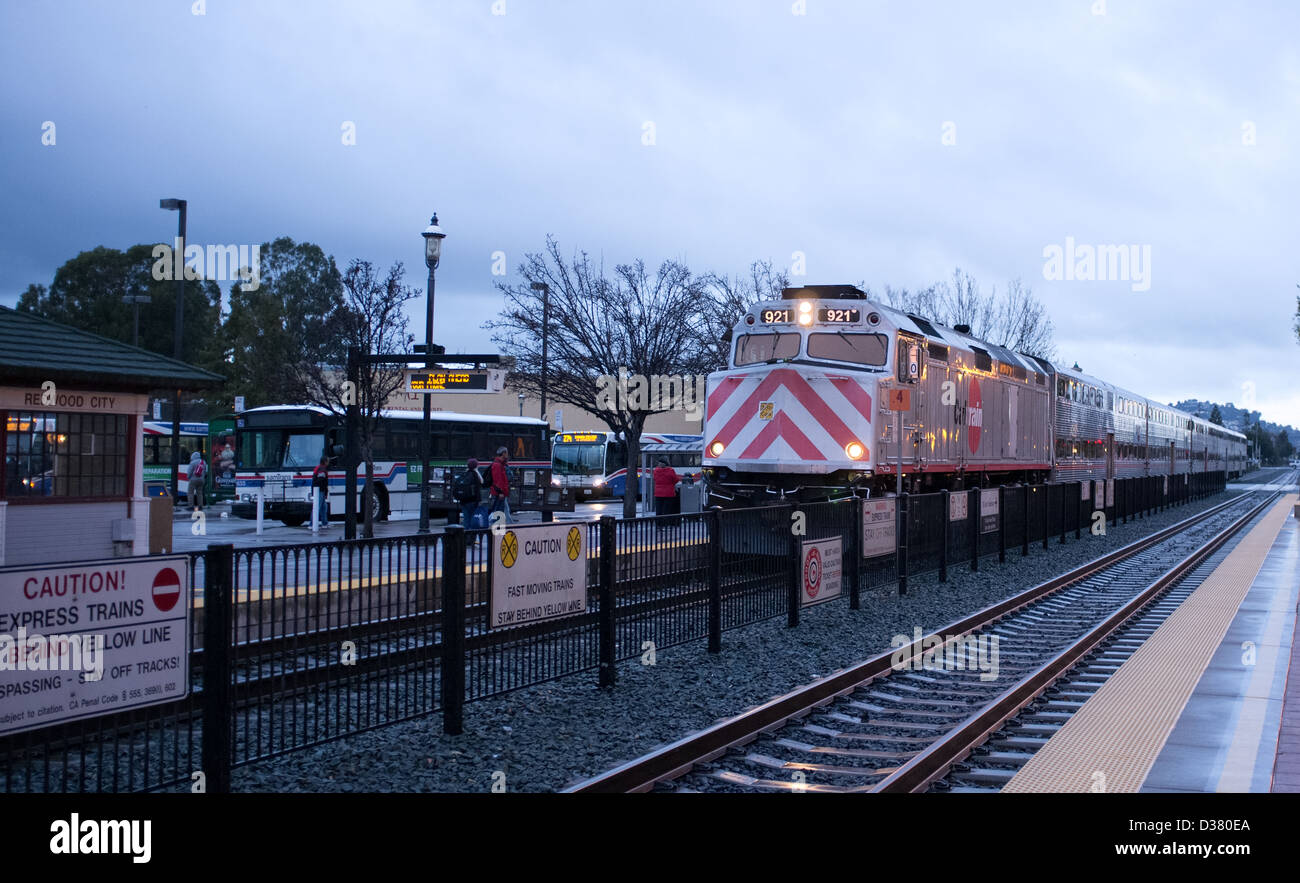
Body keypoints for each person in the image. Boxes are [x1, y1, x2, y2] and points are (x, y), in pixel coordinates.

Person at [487, 446, 511, 524]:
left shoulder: (500, 464)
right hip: (499, 493)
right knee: (498, 512)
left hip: (500, 493)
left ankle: (497, 530)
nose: (507, 455)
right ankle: (496, 531)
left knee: (499, 512)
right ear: (503, 453)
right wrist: (500, 492)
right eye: (507, 453)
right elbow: (498, 480)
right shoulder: (498, 465)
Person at [460, 457, 484, 530]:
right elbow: (481, 482)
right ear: (475, 466)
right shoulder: (475, 474)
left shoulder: (464, 474)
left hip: (464, 500)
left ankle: (464, 536)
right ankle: (470, 537)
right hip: (472, 500)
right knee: (472, 519)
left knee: (466, 519)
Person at [311, 455, 330, 528]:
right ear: (325, 462)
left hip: (319, 490)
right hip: (320, 491)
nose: (328, 462)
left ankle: (324, 523)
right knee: (317, 507)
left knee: (323, 507)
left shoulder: (319, 468)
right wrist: (324, 490)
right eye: (328, 461)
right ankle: (312, 524)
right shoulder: (322, 469)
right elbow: (321, 481)